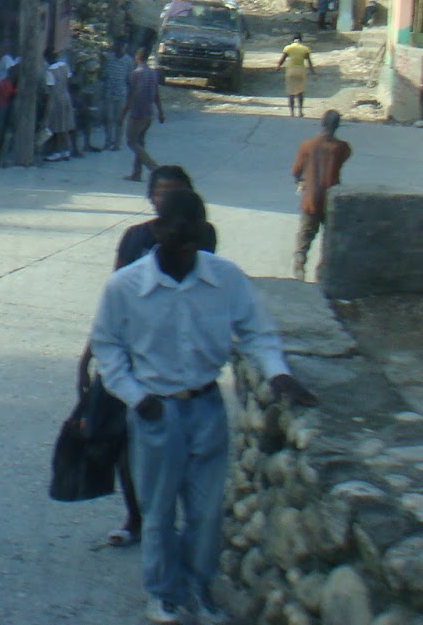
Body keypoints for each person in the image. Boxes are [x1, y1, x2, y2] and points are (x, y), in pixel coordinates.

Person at [91, 188, 318, 625]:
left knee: (205, 511)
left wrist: (276, 372)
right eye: (177, 237)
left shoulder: (226, 279)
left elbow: (257, 333)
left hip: (205, 407)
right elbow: (108, 347)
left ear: (203, 232)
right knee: (158, 511)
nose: (186, 246)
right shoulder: (125, 287)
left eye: (193, 236)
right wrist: (137, 398)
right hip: (155, 411)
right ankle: (163, 595)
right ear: (158, 233)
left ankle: (200, 589)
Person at [81, 166, 215, 551]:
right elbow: (115, 296)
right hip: (130, 352)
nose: (164, 202)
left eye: (174, 195)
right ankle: (136, 517)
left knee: (177, 442)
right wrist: (91, 353)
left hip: (175, 358)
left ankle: (170, 518)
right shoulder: (134, 238)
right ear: (150, 198)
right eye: (159, 194)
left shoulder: (201, 237)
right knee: (126, 438)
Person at [291, 110, 352, 281]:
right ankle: (323, 271)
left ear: (321, 124)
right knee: (329, 236)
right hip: (331, 200)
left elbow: (295, 171)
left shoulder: (307, 145)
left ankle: (299, 263)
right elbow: (344, 157)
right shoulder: (342, 148)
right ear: (337, 126)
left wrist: (300, 180)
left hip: (311, 199)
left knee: (305, 234)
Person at [123, 50, 165, 182]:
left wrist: (122, 114)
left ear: (137, 57)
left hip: (137, 112)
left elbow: (132, 95)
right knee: (140, 143)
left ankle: (154, 168)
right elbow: (156, 94)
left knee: (131, 142)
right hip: (148, 112)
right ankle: (136, 173)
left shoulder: (135, 74)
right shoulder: (153, 74)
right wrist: (160, 112)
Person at [44, 49, 76, 161]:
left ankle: (57, 152)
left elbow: (51, 89)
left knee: (56, 127)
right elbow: (69, 81)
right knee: (65, 126)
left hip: (56, 100)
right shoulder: (64, 66)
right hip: (66, 96)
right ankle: (67, 151)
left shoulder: (49, 71)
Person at [101, 38, 132, 151]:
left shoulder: (128, 61)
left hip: (121, 94)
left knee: (119, 119)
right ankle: (108, 142)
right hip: (109, 93)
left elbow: (129, 79)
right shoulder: (109, 59)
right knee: (108, 119)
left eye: (121, 46)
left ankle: (117, 143)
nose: (118, 48)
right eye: (116, 46)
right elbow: (104, 75)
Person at [278, 33, 316, 118]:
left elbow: (282, 59)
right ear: (301, 40)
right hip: (301, 71)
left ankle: (292, 113)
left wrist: (277, 67)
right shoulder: (305, 48)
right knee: (300, 92)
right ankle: (300, 111)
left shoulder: (288, 48)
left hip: (290, 70)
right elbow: (309, 62)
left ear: (292, 40)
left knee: (290, 92)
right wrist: (313, 73)